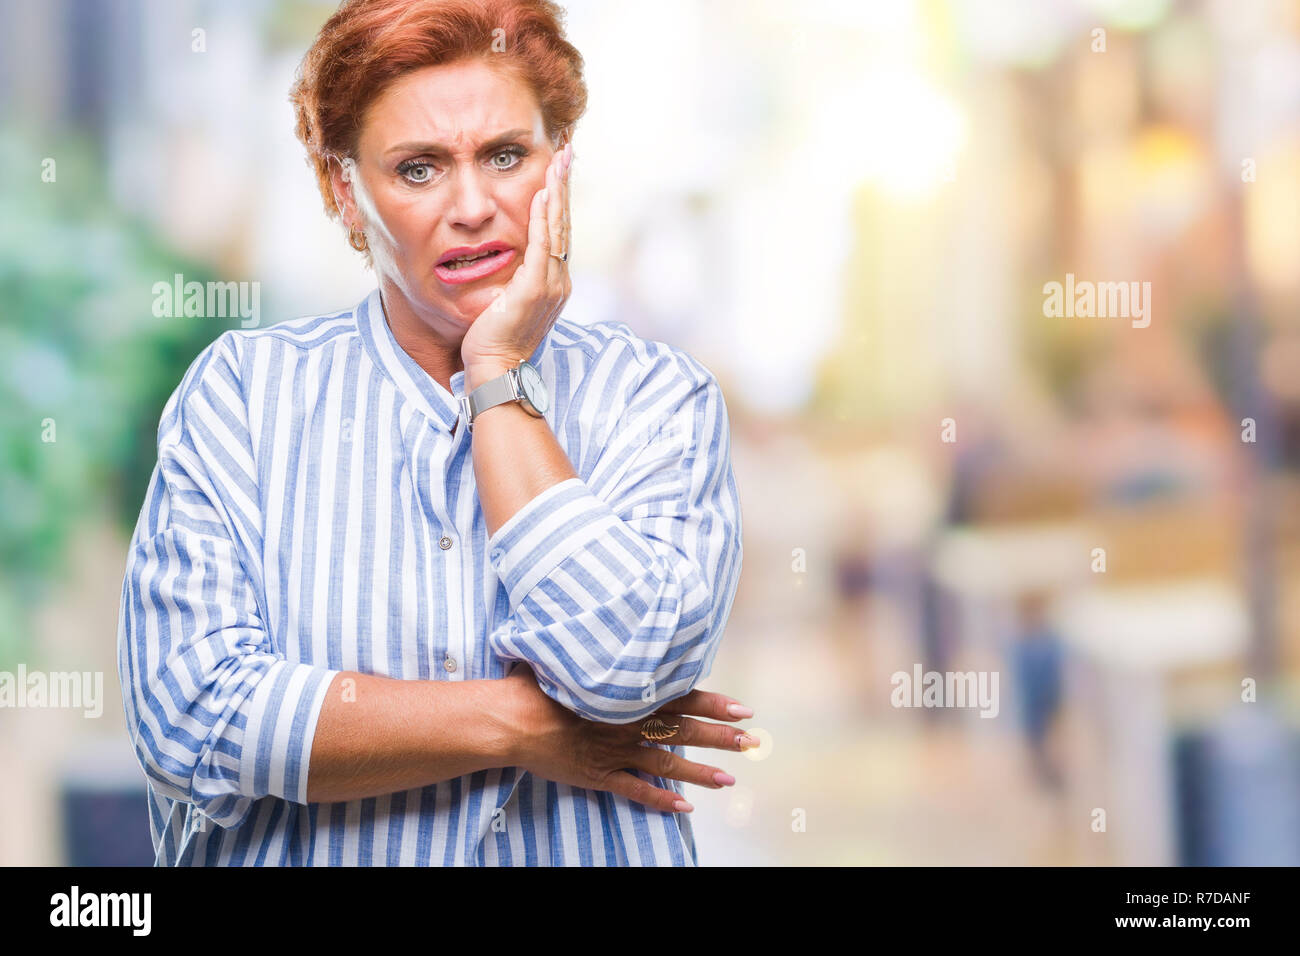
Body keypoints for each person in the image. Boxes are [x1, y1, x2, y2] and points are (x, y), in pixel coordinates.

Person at [116, 0, 748, 866]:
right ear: (346, 190)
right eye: (418, 169)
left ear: (560, 165)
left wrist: (498, 377)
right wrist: (522, 726)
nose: (473, 205)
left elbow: (619, 666)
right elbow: (190, 719)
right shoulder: (243, 398)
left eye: (506, 155)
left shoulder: (657, 400)